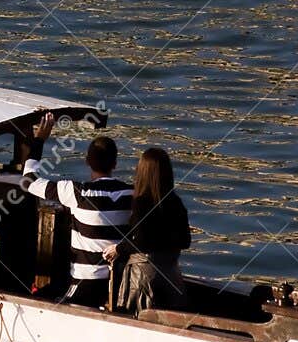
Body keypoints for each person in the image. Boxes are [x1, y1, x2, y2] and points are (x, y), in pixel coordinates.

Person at [21, 113, 132, 307]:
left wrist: (39, 139)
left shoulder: (77, 192)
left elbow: (28, 180)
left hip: (84, 285)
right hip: (120, 283)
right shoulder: (131, 194)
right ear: (115, 164)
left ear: (87, 161)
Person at [111, 147, 190, 315]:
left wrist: (118, 249)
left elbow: (141, 241)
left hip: (144, 277)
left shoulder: (141, 203)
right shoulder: (176, 202)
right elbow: (185, 241)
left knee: (139, 317)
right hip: (171, 274)